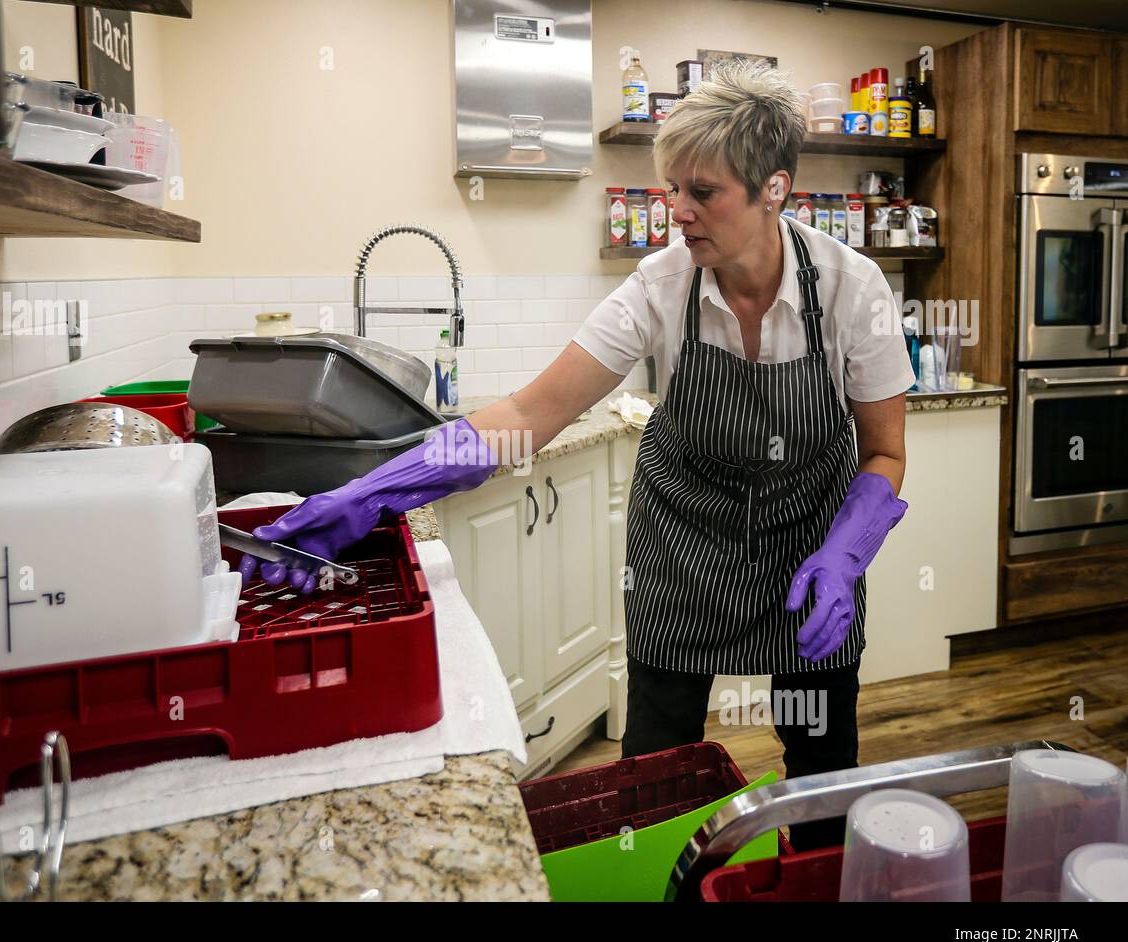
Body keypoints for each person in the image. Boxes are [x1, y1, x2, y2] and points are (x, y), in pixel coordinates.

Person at [238, 60, 914, 850]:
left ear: (775, 189)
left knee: (823, 763)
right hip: (684, 549)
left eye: (704, 192)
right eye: (672, 189)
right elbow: (531, 411)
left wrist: (845, 554)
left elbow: (885, 452)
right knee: (657, 766)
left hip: (812, 542)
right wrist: (373, 493)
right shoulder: (661, 286)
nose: (678, 211)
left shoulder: (850, 288)